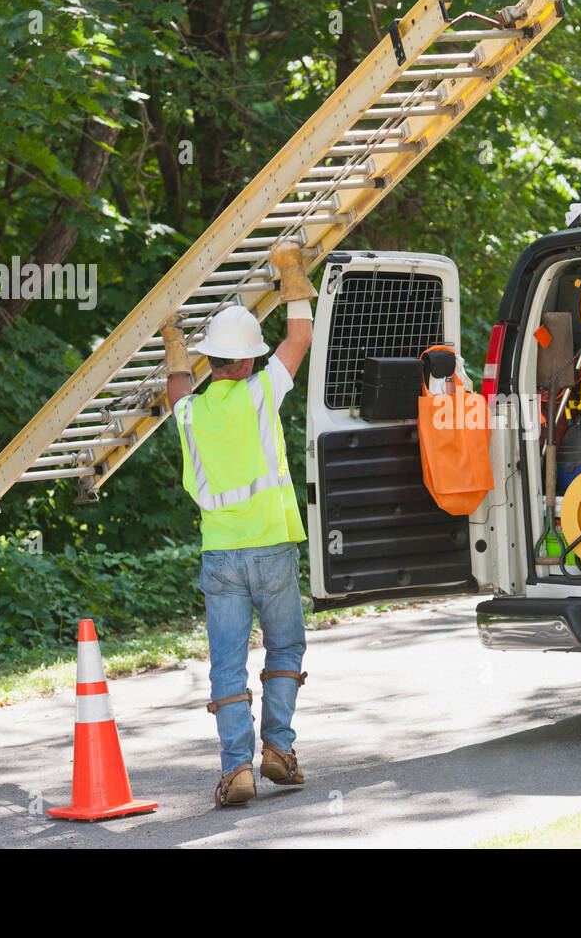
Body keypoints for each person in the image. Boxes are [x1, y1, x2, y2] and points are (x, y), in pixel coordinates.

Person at [161, 243, 315, 807]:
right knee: (284, 650)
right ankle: (278, 749)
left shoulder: (193, 412)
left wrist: (173, 340)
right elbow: (298, 338)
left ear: (212, 361)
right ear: (249, 361)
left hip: (220, 556)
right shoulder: (260, 394)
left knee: (227, 662)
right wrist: (291, 275)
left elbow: (178, 387)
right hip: (272, 548)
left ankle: (237, 771)